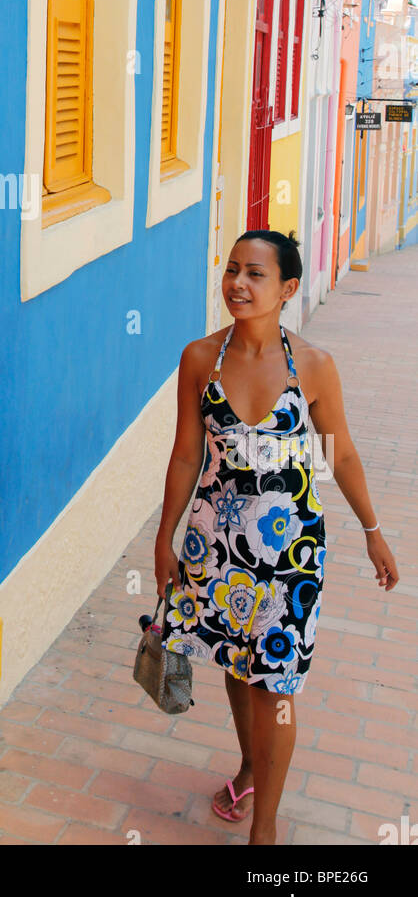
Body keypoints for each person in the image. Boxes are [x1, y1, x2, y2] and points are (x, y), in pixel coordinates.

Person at [154, 229, 398, 846]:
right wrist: (166, 539)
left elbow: (339, 458)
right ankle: (249, 766)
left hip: (292, 558)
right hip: (214, 549)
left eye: (255, 273)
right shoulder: (199, 359)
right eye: (232, 269)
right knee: (237, 669)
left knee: (277, 685)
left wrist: (374, 531)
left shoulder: (312, 366)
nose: (238, 282)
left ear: (287, 288)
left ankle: (265, 834)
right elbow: (186, 456)